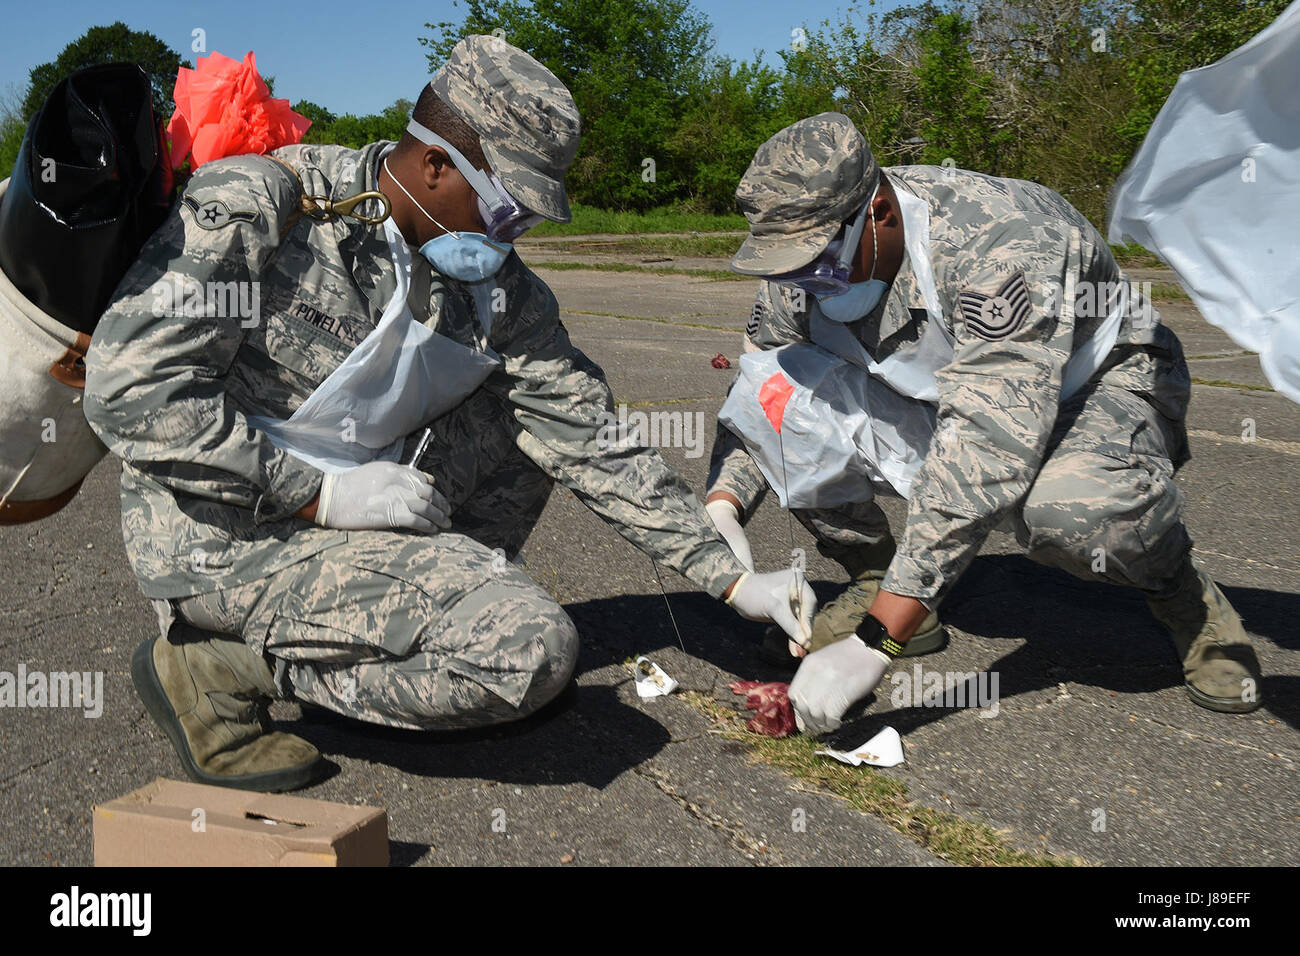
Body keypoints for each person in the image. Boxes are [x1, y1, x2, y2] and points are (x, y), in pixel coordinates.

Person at [84, 36, 814, 792]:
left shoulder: (500, 292)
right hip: (228, 531)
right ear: (435, 164)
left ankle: (417, 608)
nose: (512, 236)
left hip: (357, 498)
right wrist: (316, 492)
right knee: (529, 652)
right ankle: (219, 665)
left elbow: (587, 432)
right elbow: (130, 391)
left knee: (530, 418)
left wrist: (731, 578)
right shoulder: (268, 207)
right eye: (505, 208)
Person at [705, 113, 1263, 737]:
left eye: (819, 262)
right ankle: (876, 577)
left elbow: (986, 446)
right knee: (791, 391)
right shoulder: (803, 266)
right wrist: (724, 506)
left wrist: (875, 645)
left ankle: (1180, 590)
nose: (806, 283)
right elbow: (762, 394)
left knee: (1074, 514)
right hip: (947, 394)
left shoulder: (1000, 243)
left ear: (879, 214)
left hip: (1093, 383)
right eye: (790, 267)